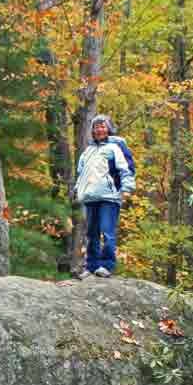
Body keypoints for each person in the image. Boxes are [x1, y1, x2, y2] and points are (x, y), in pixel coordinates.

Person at [73, 114, 135, 279]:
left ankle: (107, 265)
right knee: (91, 233)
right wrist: (77, 189)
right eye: (96, 127)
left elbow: (126, 169)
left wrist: (126, 189)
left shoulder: (115, 147)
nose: (99, 129)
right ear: (92, 131)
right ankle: (91, 266)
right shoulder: (88, 151)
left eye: (102, 126)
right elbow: (81, 174)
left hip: (110, 197)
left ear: (108, 129)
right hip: (91, 197)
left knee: (107, 232)